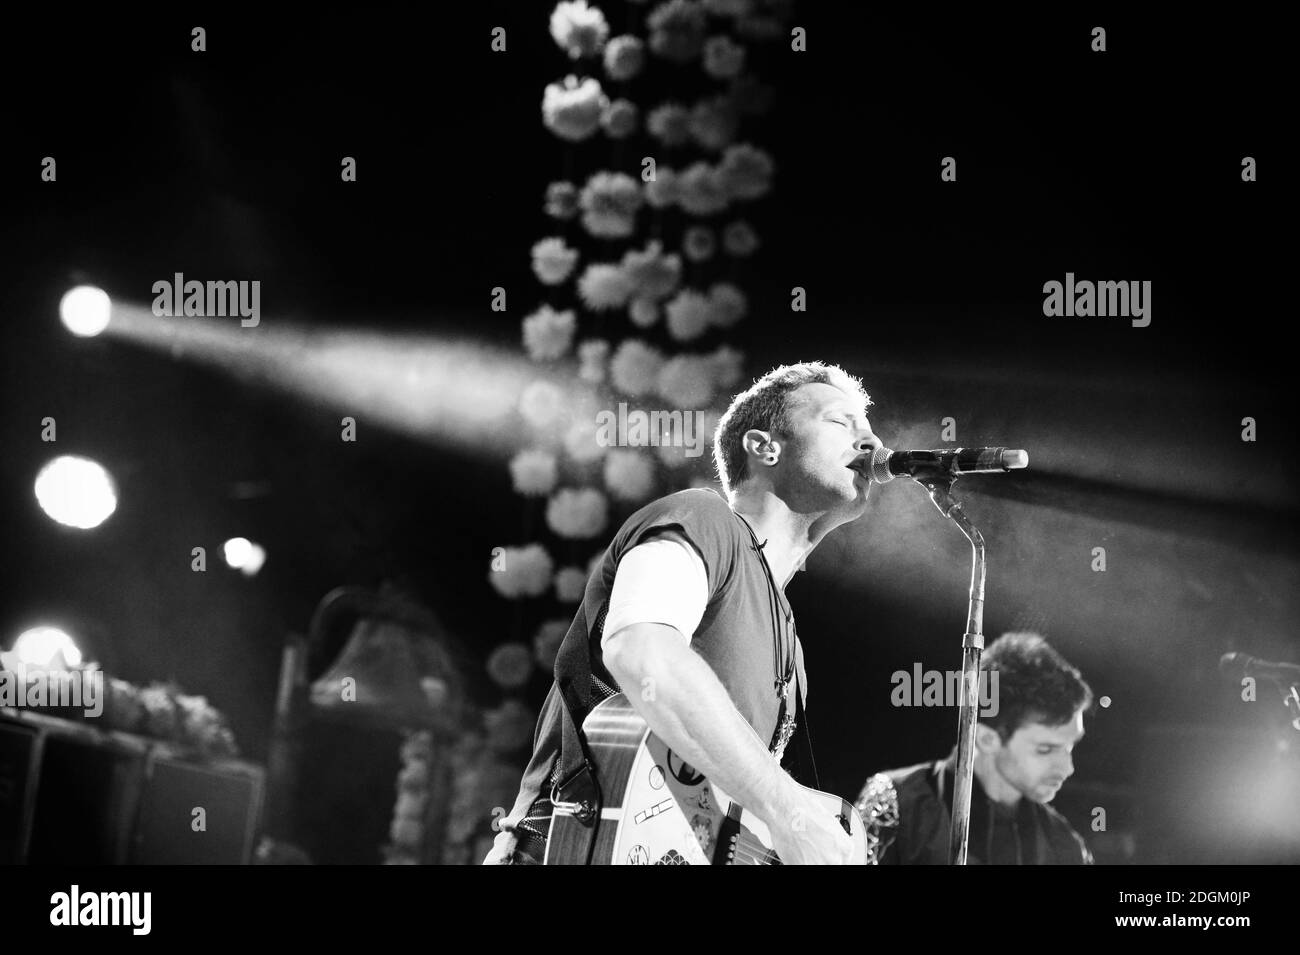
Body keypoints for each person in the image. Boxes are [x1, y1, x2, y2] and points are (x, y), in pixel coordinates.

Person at [484, 361, 882, 864]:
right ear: (764, 447)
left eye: (868, 428)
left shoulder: (790, 642)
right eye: (840, 422)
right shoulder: (704, 518)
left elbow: (715, 805)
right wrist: (792, 814)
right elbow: (640, 650)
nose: (869, 441)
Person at [856, 632, 1094, 864]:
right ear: (987, 739)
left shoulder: (1064, 845)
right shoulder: (900, 803)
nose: (1067, 768)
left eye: (1070, 747)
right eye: (1045, 749)